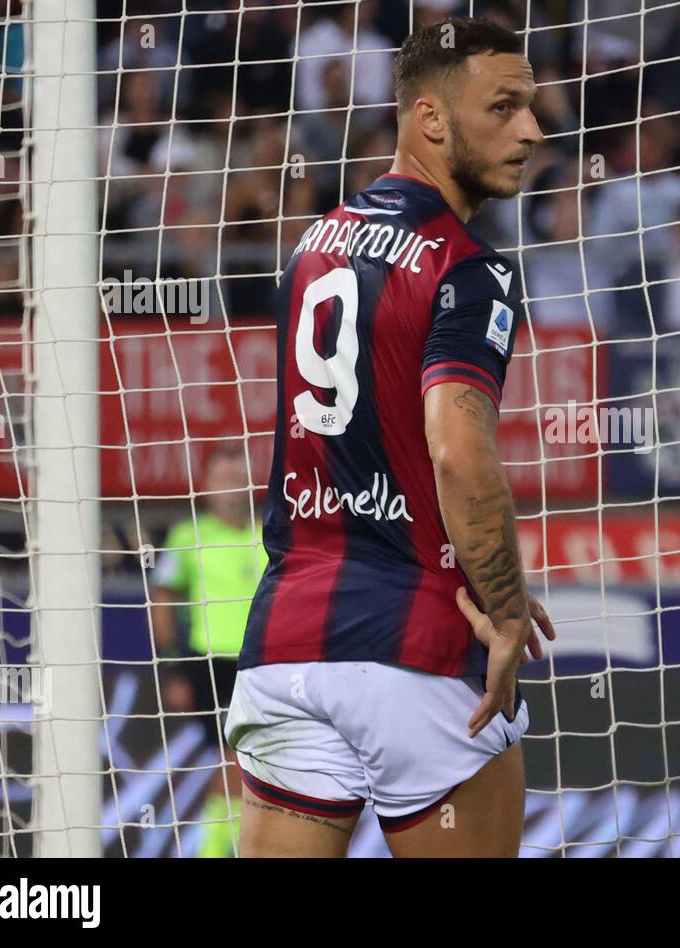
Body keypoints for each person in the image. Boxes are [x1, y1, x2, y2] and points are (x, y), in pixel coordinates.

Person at [224, 15, 556, 858]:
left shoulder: (311, 245)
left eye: (532, 108)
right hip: (416, 645)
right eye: (506, 107)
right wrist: (507, 611)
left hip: (287, 649)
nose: (532, 130)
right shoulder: (468, 268)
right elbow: (456, 450)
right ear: (429, 119)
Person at [151, 444, 267, 857]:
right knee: (234, 763)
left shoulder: (268, 535)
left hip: (266, 664)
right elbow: (162, 599)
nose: (233, 489)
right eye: (224, 480)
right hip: (212, 665)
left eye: (239, 480)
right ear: (206, 488)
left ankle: (226, 845)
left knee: (253, 765)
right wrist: (172, 670)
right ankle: (216, 850)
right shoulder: (188, 536)